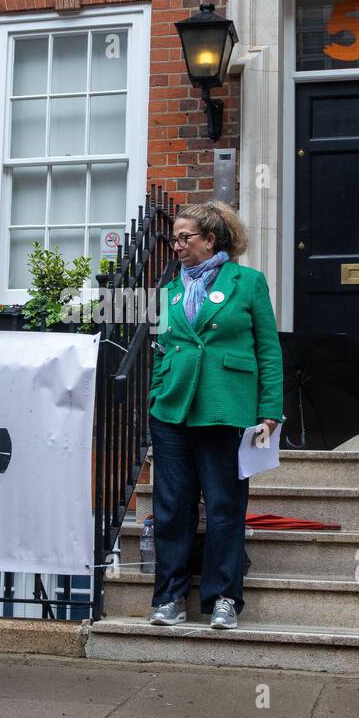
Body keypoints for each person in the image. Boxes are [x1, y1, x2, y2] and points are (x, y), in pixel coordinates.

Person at [146, 201, 283, 630]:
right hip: (172, 409)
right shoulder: (167, 291)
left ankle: (224, 597)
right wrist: (155, 392)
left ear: (211, 240)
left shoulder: (248, 283)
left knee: (224, 505)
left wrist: (270, 410)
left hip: (226, 408)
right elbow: (161, 350)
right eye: (175, 238)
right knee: (171, 507)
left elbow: (269, 350)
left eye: (185, 237)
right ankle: (168, 597)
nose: (177, 245)